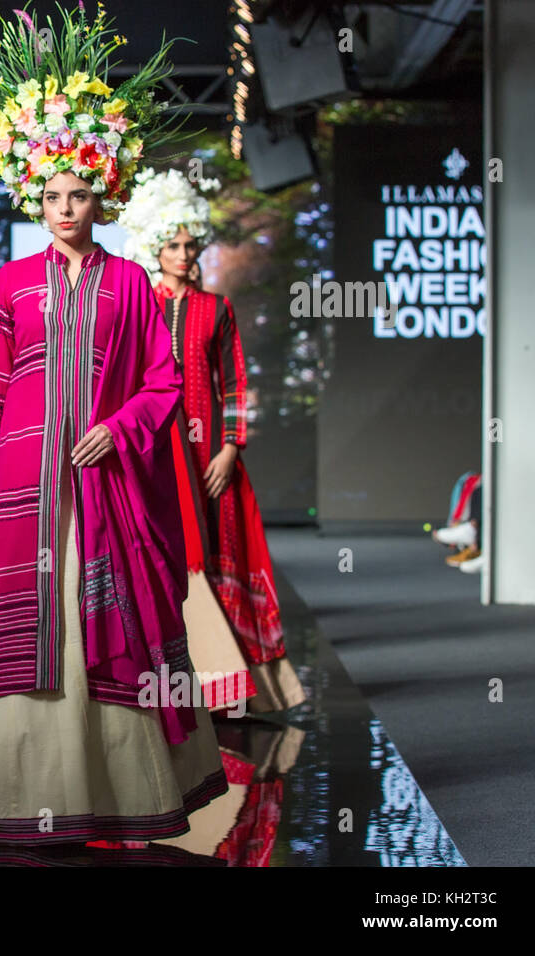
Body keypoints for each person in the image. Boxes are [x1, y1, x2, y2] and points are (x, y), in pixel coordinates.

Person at [0, 5, 226, 855]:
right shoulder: (14, 283)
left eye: (80, 193)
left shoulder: (131, 284)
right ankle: (16, 796)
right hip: (22, 491)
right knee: (25, 628)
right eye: (50, 194)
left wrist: (118, 430)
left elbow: (164, 385)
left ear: (104, 193)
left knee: (99, 630)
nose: (64, 206)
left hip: (101, 491)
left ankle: (115, 797)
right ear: (34, 193)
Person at [121, 167, 305, 712]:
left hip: (211, 456)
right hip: (158, 451)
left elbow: (237, 383)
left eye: (190, 243)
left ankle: (235, 694)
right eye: (172, 244)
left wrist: (231, 447)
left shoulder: (216, 309)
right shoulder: (139, 305)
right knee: (168, 562)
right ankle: (175, 692)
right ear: (154, 246)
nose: (183, 253)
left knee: (223, 556)